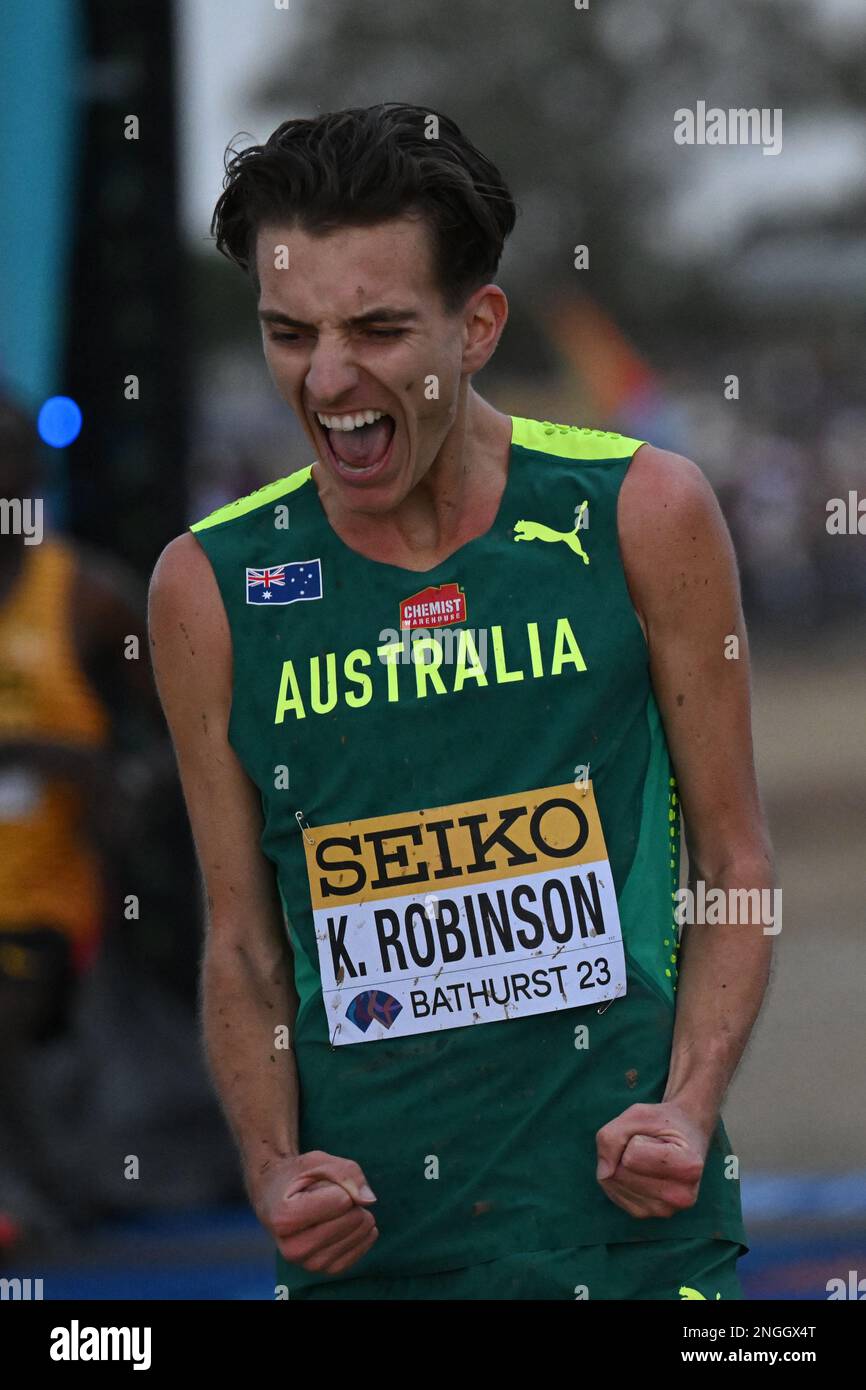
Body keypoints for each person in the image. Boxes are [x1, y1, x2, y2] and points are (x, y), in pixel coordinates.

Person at [148, 104, 774, 1300]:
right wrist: (275, 1167)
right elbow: (241, 947)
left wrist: (688, 1108)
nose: (328, 379)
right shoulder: (211, 586)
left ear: (476, 325)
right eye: (290, 334)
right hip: (372, 1255)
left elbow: (735, 861)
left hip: (630, 1234)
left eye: (378, 328)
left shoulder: (640, 511)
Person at [0, 395, 156, 1252]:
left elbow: (187, 738)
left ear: (32, 475)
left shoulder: (90, 596)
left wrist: (95, 774)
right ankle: (44, 1193)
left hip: (52, 904)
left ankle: (46, 1199)